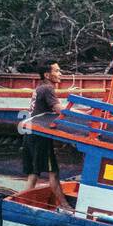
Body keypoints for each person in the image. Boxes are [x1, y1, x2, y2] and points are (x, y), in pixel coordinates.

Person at [21, 61, 72, 211]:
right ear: (47, 75)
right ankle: (66, 206)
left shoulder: (40, 88)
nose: (60, 73)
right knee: (53, 173)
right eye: (57, 71)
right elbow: (58, 110)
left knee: (33, 174)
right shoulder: (48, 88)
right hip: (39, 136)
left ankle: (22, 204)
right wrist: (80, 113)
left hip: (29, 134)